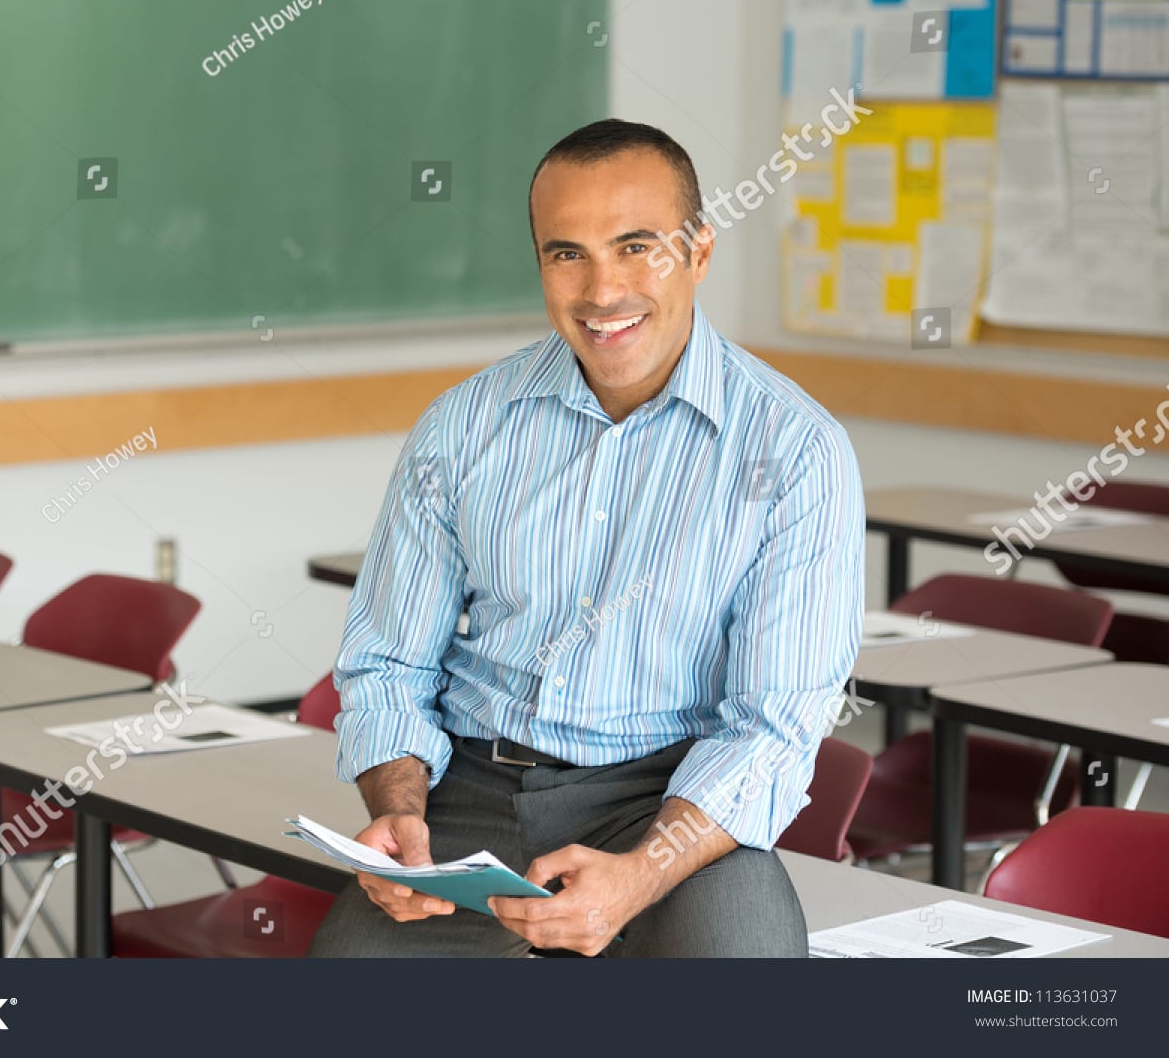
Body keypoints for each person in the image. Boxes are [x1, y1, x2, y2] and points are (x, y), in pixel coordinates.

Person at [307, 119, 864, 958]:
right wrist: (398, 811)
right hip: (472, 789)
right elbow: (387, 660)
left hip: (669, 800)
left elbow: (771, 726)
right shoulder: (463, 425)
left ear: (699, 252)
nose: (603, 291)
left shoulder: (795, 450)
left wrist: (639, 873)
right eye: (567, 253)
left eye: (636, 246)